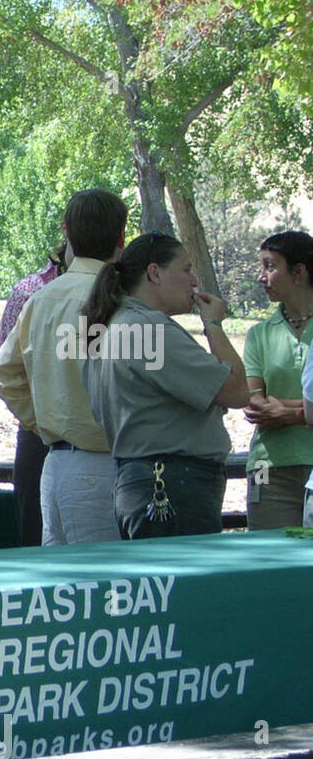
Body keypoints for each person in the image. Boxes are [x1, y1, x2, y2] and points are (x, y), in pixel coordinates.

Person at [79, 232, 250, 539]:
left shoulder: (109, 325)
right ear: (154, 272)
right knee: (189, 586)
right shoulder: (150, 331)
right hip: (172, 486)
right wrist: (213, 325)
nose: (194, 282)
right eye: (186, 270)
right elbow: (238, 391)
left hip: (139, 481)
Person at [0, 189, 128, 545]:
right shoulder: (124, 302)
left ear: (66, 232)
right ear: (121, 238)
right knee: (106, 587)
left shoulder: (40, 299)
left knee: (60, 588)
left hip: (55, 463)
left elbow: (3, 374)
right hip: (106, 463)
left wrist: (43, 419)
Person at [242, 230, 313, 529]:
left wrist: (290, 414)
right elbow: (254, 402)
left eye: (269, 266)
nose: (261, 277)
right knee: (269, 564)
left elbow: (270, 402)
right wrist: (306, 411)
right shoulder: (259, 334)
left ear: (298, 272)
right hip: (266, 466)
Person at [0, 240, 67, 547]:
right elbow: (6, 368)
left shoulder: (114, 289)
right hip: (38, 434)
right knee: (33, 533)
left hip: (100, 443)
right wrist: (39, 422)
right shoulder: (29, 291)